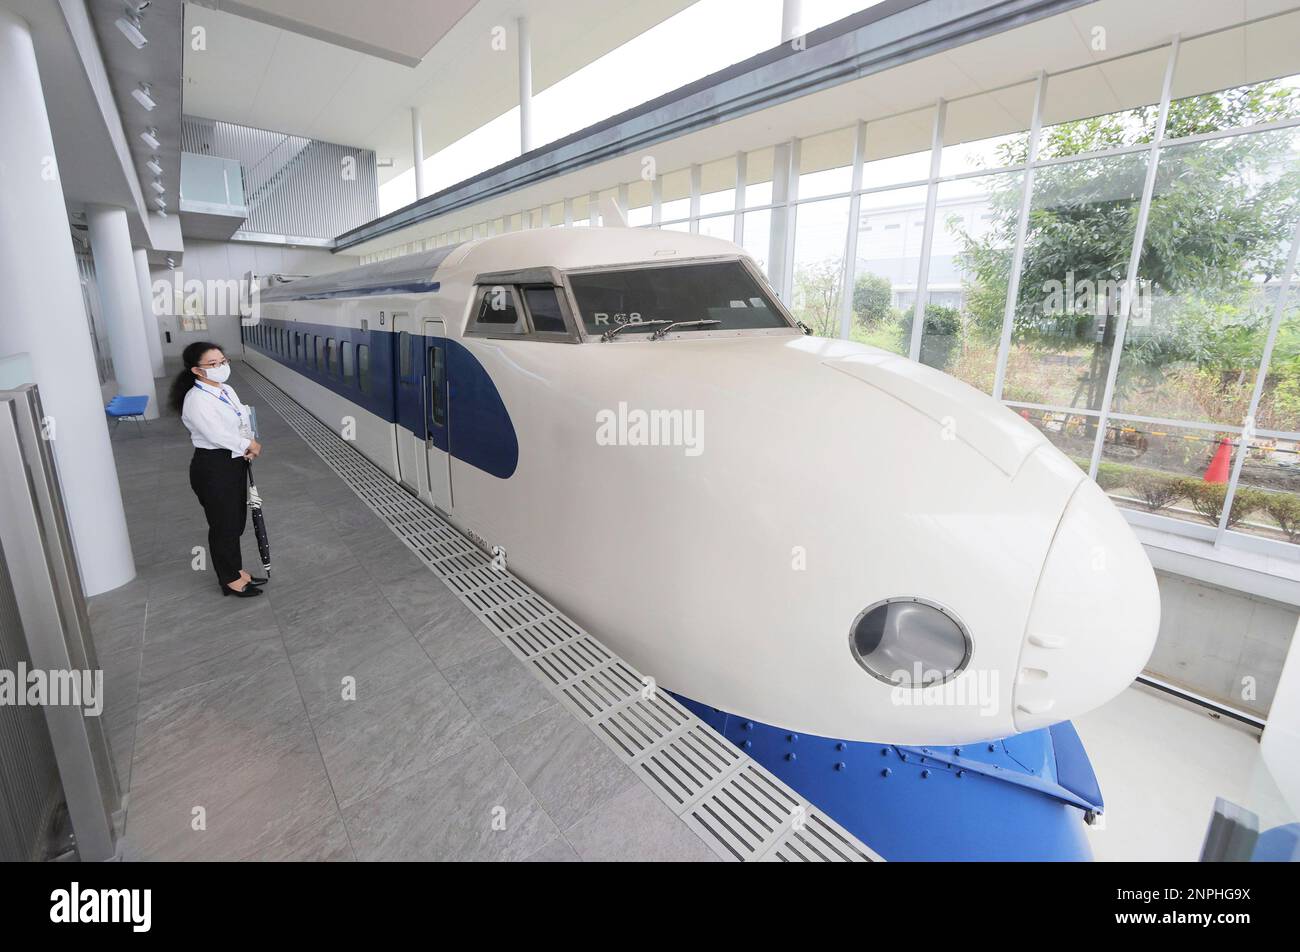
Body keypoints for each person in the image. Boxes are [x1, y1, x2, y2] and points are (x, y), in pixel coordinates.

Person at [167, 342, 266, 597]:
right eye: (213, 364)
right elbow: (215, 434)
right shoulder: (196, 399)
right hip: (213, 466)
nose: (221, 367)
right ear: (198, 371)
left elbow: (240, 418)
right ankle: (229, 579)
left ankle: (235, 569)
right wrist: (249, 444)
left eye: (223, 361)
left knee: (235, 521)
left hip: (234, 461)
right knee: (224, 524)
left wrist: (248, 444)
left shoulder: (226, 389)